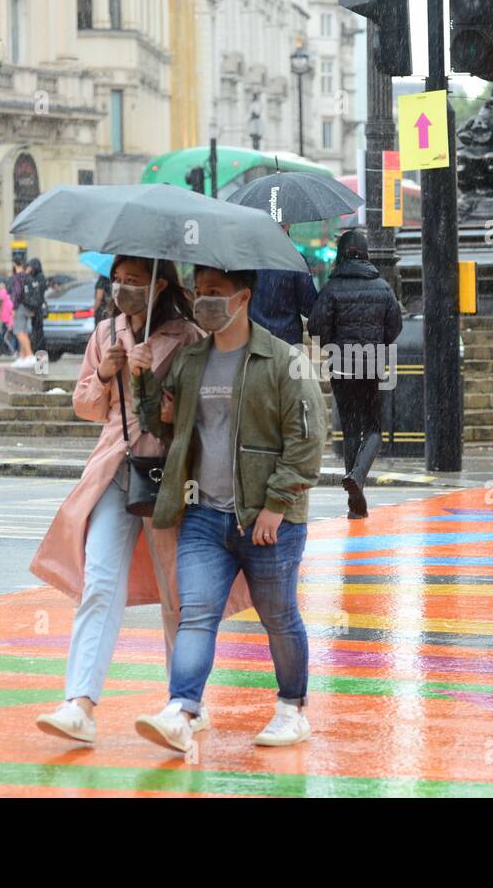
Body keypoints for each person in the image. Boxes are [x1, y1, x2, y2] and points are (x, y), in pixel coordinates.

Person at [130, 266, 325, 753]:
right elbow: (163, 425)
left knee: (278, 616)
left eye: (215, 293)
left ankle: (292, 708)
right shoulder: (192, 359)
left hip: (268, 521)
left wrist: (276, 506)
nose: (203, 302)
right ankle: (182, 708)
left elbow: (307, 442)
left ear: (243, 297)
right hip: (204, 515)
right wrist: (142, 383)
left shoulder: (283, 361)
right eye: (200, 292)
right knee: (194, 613)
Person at [31, 256, 222, 745]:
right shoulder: (106, 333)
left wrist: (151, 385)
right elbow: (86, 407)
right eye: (117, 281)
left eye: (133, 282)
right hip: (115, 473)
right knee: (99, 583)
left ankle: (185, 704)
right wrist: (105, 373)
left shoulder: (189, 338)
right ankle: (80, 704)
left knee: (177, 593)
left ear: (159, 286)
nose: (121, 290)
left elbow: (196, 416)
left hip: (168, 475)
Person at [307, 229, 402, 519]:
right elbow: (394, 326)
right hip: (371, 365)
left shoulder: (332, 287)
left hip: (342, 366)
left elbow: (314, 326)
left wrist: (332, 344)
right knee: (373, 428)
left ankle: (355, 502)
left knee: (349, 429)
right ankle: (358, 478)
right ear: (366, 253)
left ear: (342, 252)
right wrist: (379, 346)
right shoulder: (383, 287)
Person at [249, 251, 319, 348]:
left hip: (253, 337)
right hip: (287, 340)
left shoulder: (245, 258)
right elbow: (309, 306)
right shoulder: (294, 259)